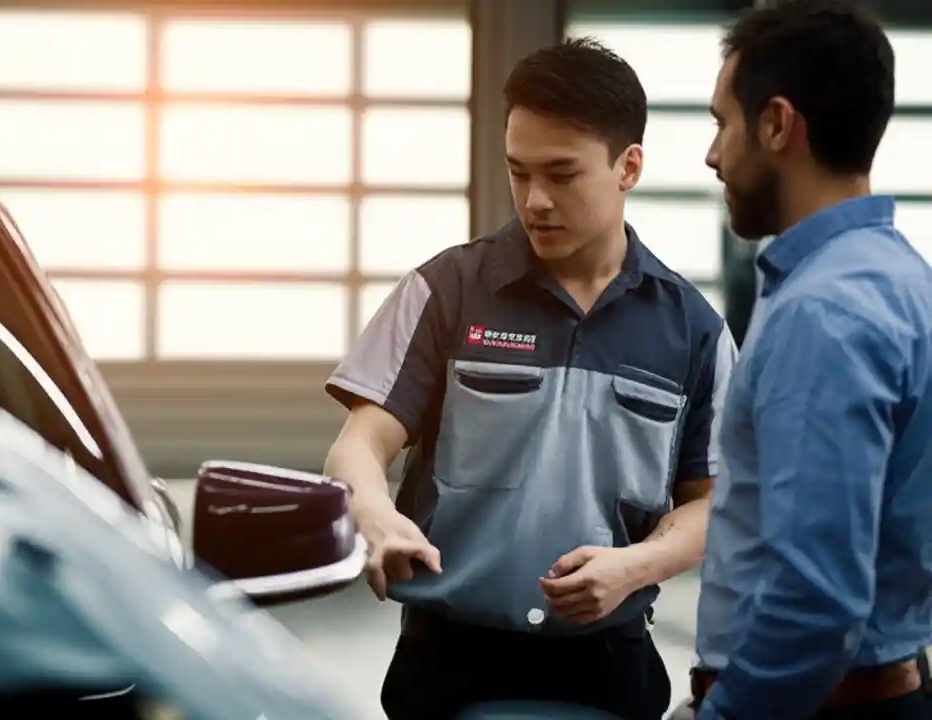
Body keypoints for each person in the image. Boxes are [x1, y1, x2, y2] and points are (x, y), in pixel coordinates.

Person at [323, 37, 738, 720]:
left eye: (561, 174)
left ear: (628, 166)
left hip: (609, 671)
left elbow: (714, 503)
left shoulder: (693, 330)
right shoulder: (446, 291)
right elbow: (359, 444)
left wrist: (636, 567)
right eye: (519, 172)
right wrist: (376, 516)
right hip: (447, 667)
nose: (535, 200)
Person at [688, 1, 932, 719]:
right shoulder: (900, 276)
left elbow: (817, 598)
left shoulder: (825, 312)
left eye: (721, 124)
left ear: (777, 125)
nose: (712, 155)